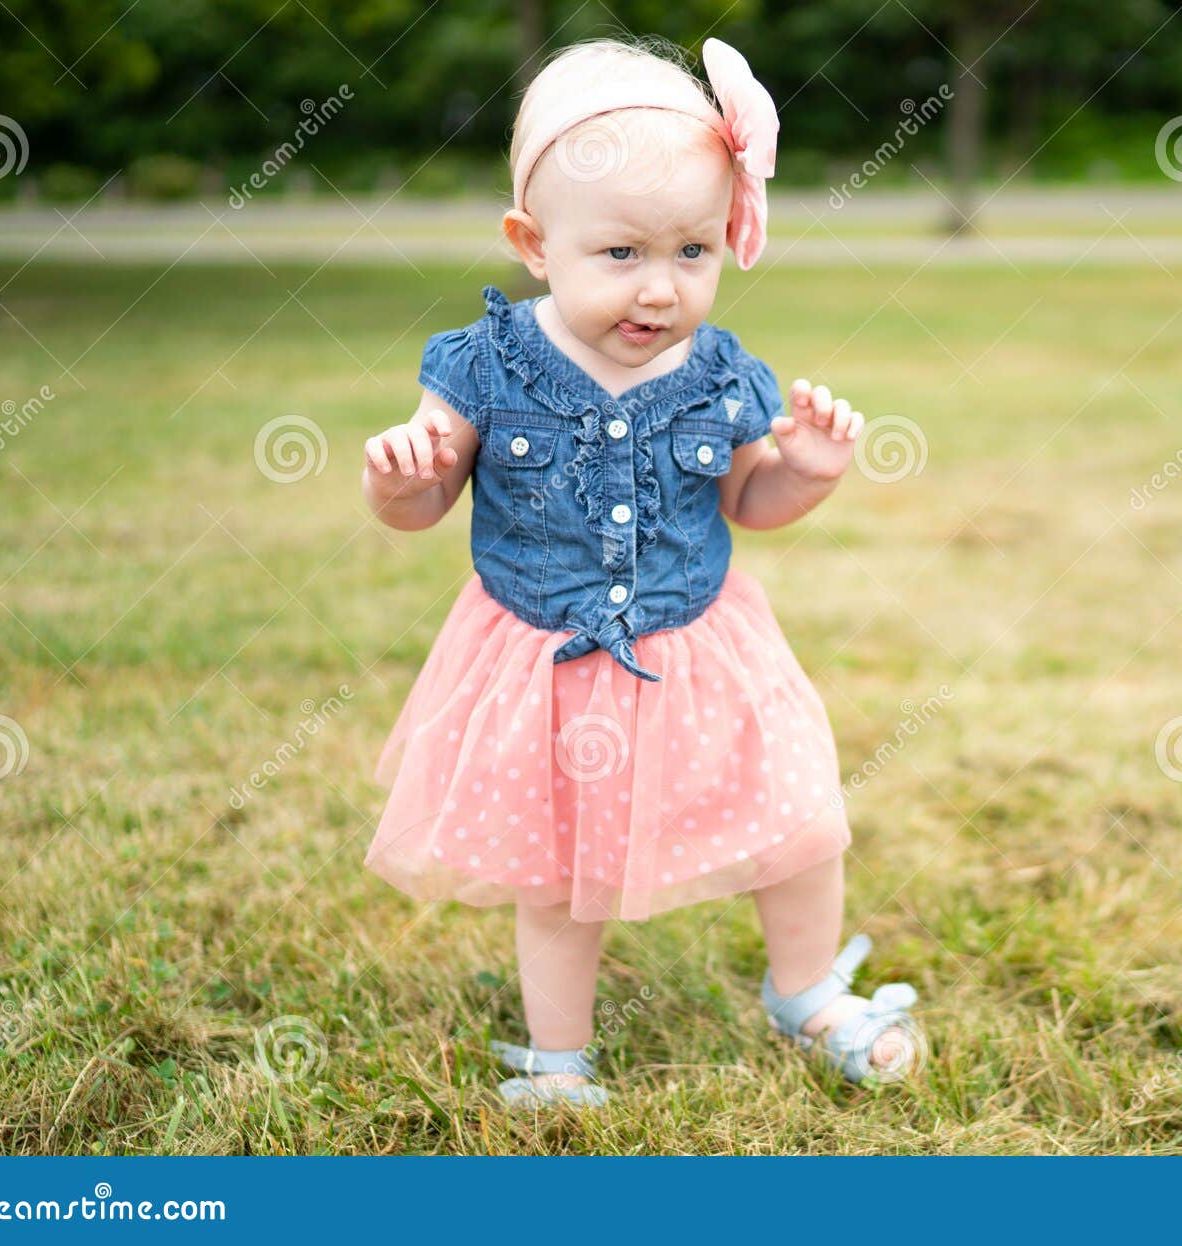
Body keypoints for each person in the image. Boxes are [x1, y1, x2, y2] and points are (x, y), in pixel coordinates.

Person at [359, 35, 923, 1108]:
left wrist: (805, 471)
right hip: (548, 665)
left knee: (799, 819)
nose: (659, 288)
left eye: (693, 251)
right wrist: (399, 481)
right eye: (620, 253)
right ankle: (558, 1056)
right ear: (534, 243)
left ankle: (805, 989)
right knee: (559, 869)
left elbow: (748, 500)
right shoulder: (483, 366)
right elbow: (420, 508)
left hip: (701, 648)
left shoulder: (721, 374)